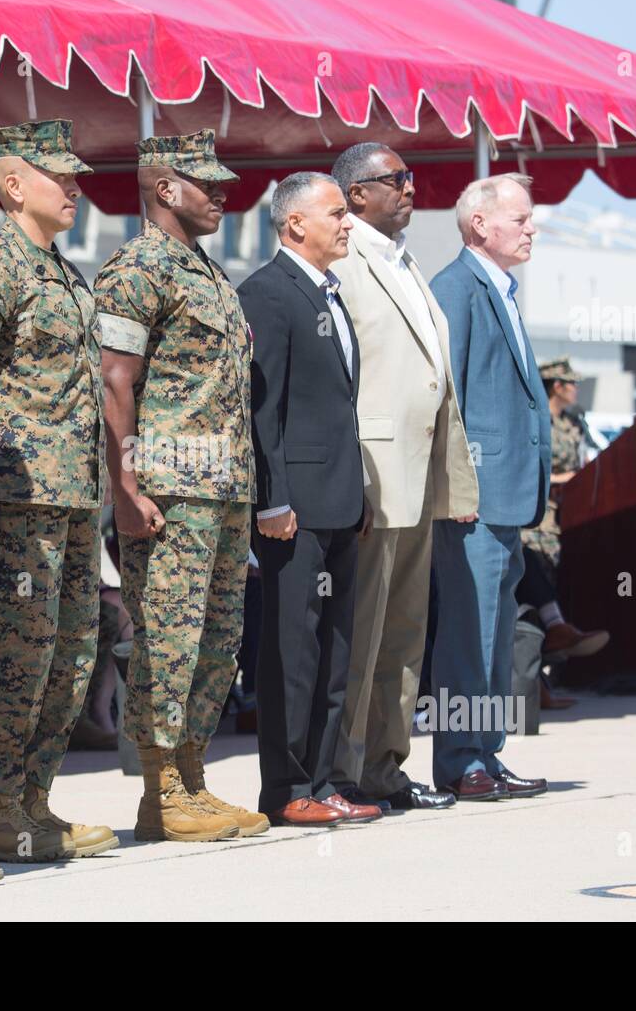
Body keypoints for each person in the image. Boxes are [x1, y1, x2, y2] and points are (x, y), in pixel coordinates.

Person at [95, 128, 267, 842]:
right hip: (169, 492)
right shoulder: (136, 269)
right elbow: (113, 381)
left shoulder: (205, 270)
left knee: (216, 643)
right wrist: (128, 489)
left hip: (223, 490)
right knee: (166, 641)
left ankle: (192, 778)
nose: (223, 192)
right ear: (166, 189)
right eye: (207, 182)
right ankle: (160, 789)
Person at [0, 119, 116, 862]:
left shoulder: (64, 270)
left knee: (72, 655)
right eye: (62, 177)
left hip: (77, 495)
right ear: (15, 185)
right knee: (19, 658)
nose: (77, 189)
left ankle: (36, 801)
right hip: (21, 496)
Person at [328, 143, 479, 814]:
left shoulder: (405, 260)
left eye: (411, 177)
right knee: (364, 633)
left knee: (405, 632)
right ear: (357, 194)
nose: (411, 189)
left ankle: (388, 766)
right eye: (397, 180)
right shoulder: (344, 257)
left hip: (418, 477)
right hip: (374, 475)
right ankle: (347, 768)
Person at [239, 172, 379, 827]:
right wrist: (271, 499)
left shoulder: (328, 293)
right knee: (292, 653)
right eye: (336, 212)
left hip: (339, 502)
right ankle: (287, 787)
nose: (348, 222)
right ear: (295, 224)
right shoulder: (269, 293)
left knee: (334, 651)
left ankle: (324, 781)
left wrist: (360, 491)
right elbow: (262, 410)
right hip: (293, 509)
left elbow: (336, 408)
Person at [427, 173, 551, 801]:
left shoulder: (500, 289)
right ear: (481, 225)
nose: (531, 229)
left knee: (497, 630)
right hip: (474, 495)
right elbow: (448, 398)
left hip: (506, 495)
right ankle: (458, 760)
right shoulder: (457, 288)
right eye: (520, 219)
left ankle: (487, 751)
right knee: (466, 632)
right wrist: (458, 487)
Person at [521, 357, 610, 661]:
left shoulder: (572, 422)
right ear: (556, 386)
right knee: (536, 582)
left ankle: (550, 669)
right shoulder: (533, 420)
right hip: (539, 517)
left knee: (559, 584)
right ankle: (536, 667)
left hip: (570, 515)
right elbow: (529, 470)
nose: (575, 389)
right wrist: (564, 479)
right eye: (571, 384)